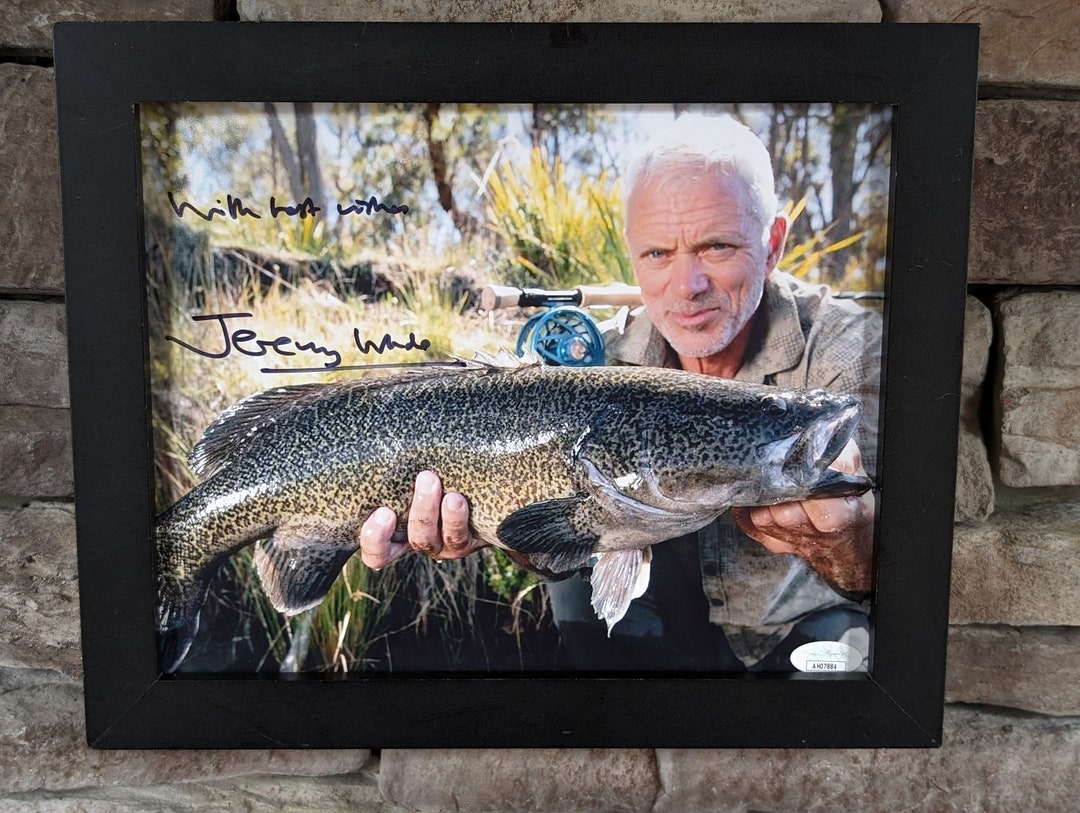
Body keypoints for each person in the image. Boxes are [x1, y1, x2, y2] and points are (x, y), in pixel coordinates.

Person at [358, 114, 881, 671]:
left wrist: (848, 542)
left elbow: (904, 577)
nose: (687, 286)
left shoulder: (851, 352)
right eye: (658, 254)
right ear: (631, 253)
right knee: (575, 588)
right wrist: (489, 526)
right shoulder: (591, 363)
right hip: (650, 625)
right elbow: (545, 540)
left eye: (717, 247)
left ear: (772, 244)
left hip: (794, 631)